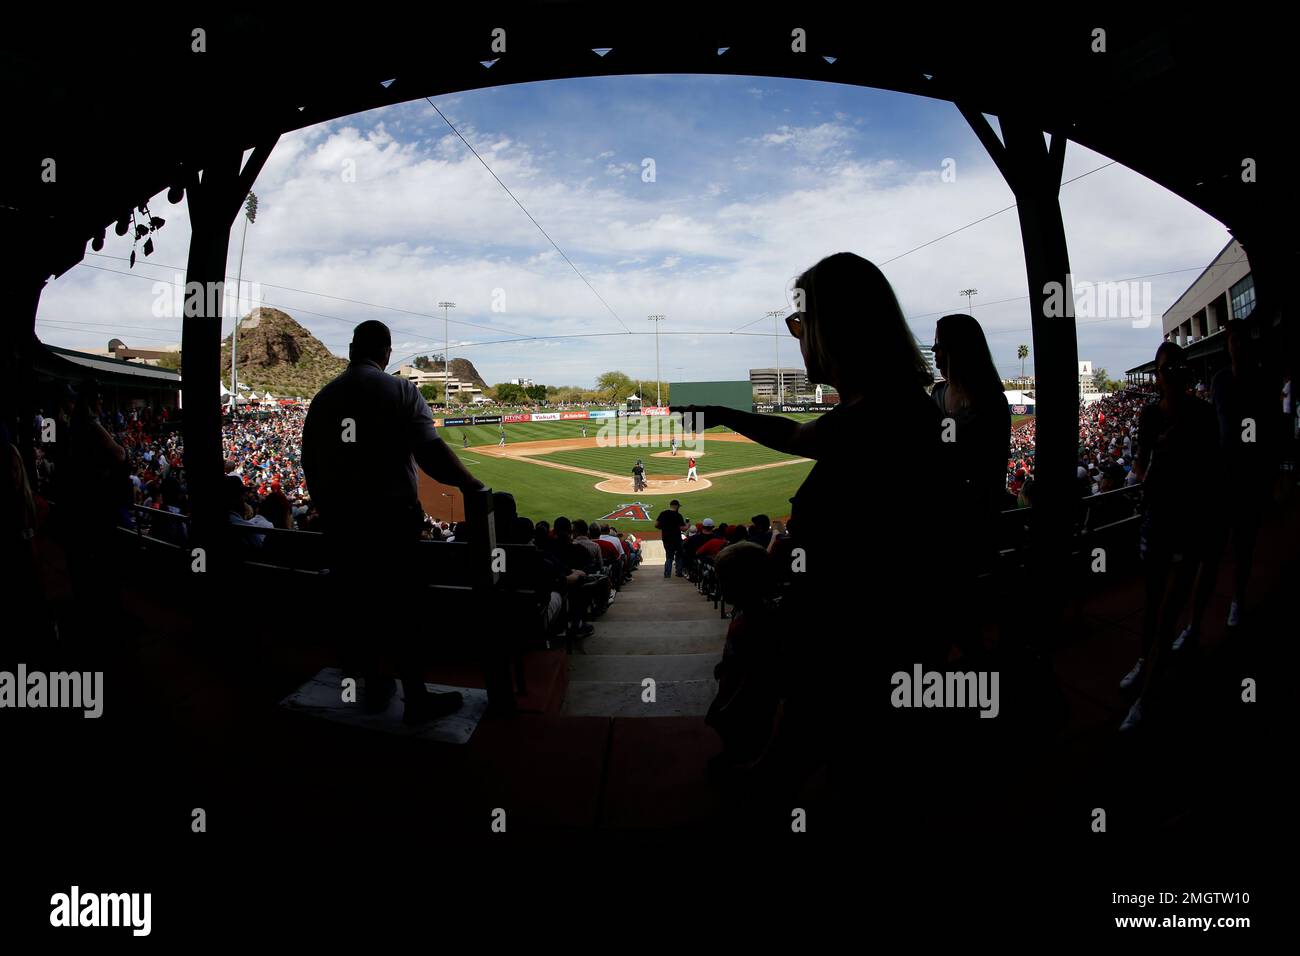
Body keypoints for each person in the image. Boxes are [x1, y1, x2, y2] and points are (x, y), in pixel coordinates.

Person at [672, 252, 962, 822]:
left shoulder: (881, 414)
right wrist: (723, 414)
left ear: (836, 330)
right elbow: (805, 435)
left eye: (800, 325)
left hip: (860, 645)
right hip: (875, 643)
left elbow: (848, 587)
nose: (797, 338)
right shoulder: (893, 405)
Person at [303, 320, 486, 724]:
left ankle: (374, 685)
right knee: (404, 608)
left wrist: (330, 510)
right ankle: (416, 698)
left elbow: (310, 465)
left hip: (342, 522)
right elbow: (431, 453)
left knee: (358, 607)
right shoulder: (399, 389)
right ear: (387, 353)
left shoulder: (324, 397)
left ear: (352, 348)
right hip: (390, 520)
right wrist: (472, 486)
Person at [1119, 342, 1221, 732]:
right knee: (1151, 603)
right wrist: (1154, 465)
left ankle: (1148, 695)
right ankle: (1147, 662)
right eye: (1165, 370)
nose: (1171, 375)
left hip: (1189, 523)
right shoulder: (1148, 415)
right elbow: (1141, 463)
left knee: (1167, 612)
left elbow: (1213, 472)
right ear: (1158, 377)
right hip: (1155, 520)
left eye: (1178, 368)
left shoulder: (1204, 415)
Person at [931, 313, 1011, 568]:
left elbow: (949, 454)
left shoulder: (992, 402)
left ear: (958, 349)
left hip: (975, 523)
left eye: (939, 345)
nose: (934, 351)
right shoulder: (938, 392)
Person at [655, 498, 686, 578]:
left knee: (669, 557)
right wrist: (688, 525)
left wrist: (664, 527)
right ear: (676, 506)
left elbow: (656, 525)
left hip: (666, 539)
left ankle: (667, 574)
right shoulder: (678, 515)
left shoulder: (663, 513)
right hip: (676, 539)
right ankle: (679, 572)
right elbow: (683, 528)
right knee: (679, 555)